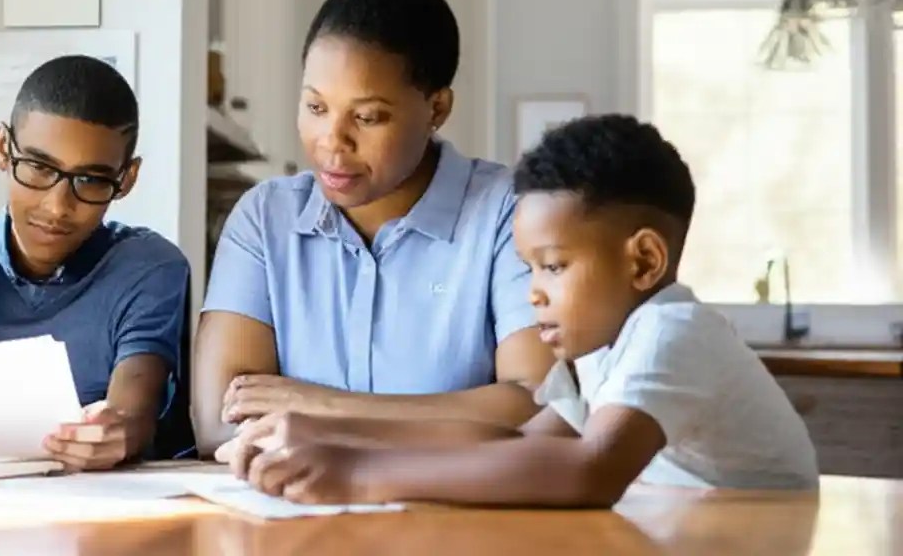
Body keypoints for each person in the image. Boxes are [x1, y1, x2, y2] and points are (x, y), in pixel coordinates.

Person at [228, 114, 820, 506]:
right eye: (529, 267)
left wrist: (356, 475)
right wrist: (334, 437)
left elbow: (590, 470)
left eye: (554, 266)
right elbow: (510, 442)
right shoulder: (602, 353)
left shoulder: (674, 330)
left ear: (643, 261)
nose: (533, 292)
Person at [194, 0, 555, 456]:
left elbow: (535, 407)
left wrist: (320, 408)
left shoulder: (507, 213)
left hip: (455, 518)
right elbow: (221, 424)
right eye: (316, 106)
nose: (331, 141)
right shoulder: (265, 219)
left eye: (367, 117)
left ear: (437, 108)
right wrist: (447, 419)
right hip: (291, 517)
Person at [0, 55, 190, 471]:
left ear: (127, 178)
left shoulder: (149, 268)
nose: (58, 207)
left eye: (91, 180)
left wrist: (116, 432)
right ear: (5, 149)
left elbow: (135, 409)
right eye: (40, 168)